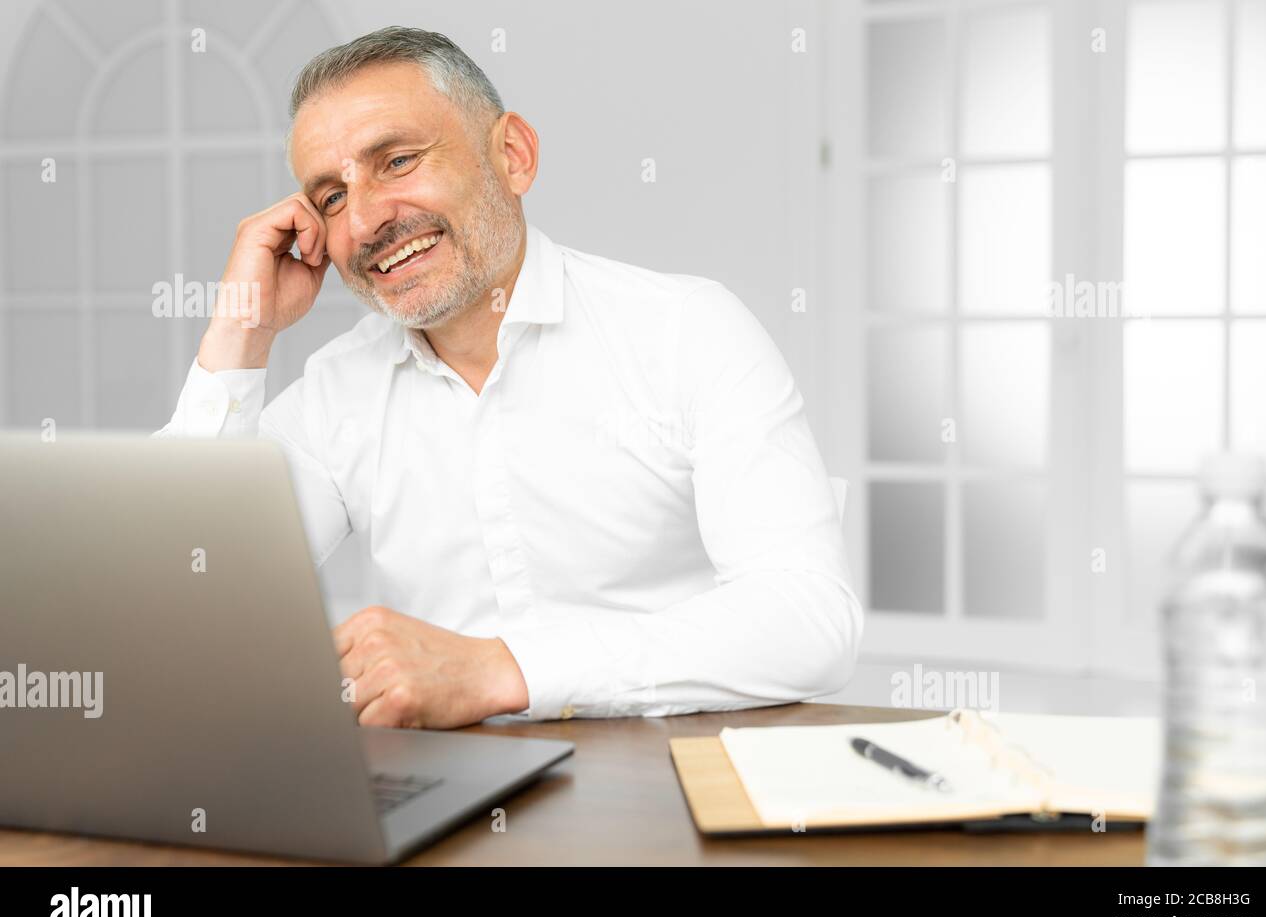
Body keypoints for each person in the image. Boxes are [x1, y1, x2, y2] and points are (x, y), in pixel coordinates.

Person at [157, 26, 862, 729]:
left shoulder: (687, 331)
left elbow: (808, 617)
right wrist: (238, 332)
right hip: (444, 808)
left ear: (513, 156)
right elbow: (177, 607)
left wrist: (505, 668)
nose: (367, 219)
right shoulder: (336, 392)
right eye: (332, 198)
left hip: (671, 801)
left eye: (397, 161)